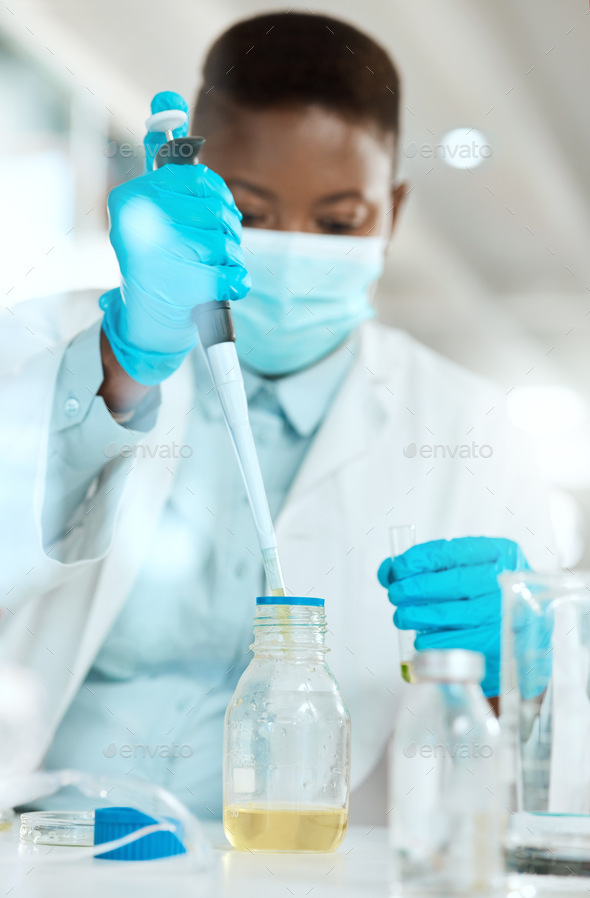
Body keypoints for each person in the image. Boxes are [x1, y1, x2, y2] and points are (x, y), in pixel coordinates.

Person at [0, 12, 555, 822]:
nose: (294, 246)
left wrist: (521, 671)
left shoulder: (472, 431)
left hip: (312, 866)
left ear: (393, 213)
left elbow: (537, 764)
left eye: (338, 223)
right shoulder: (48, 341)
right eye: (251, 214)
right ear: (197, 193)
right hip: (45, 849)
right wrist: (123, 364)